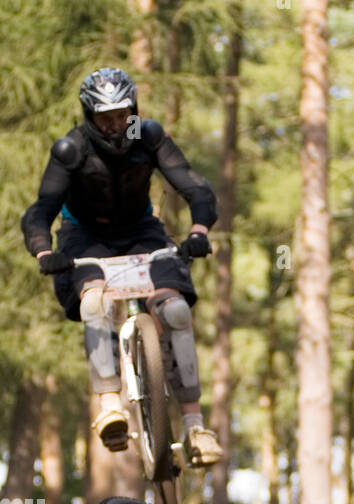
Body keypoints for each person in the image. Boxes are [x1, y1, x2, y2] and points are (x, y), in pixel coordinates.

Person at [21, 67, 223, 467]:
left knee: (177, 311)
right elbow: (40, 210)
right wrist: (44, 252)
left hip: (141, 232)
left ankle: (195, 427)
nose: (115, 127)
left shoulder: (147, 138)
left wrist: (199, 230)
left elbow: (194, 186)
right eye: (105, 118)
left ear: (133, 110)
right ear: (89, 117)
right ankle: (110, 403)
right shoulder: (71, 150)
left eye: (121, 115)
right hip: (85, 237)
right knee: (94, 304)